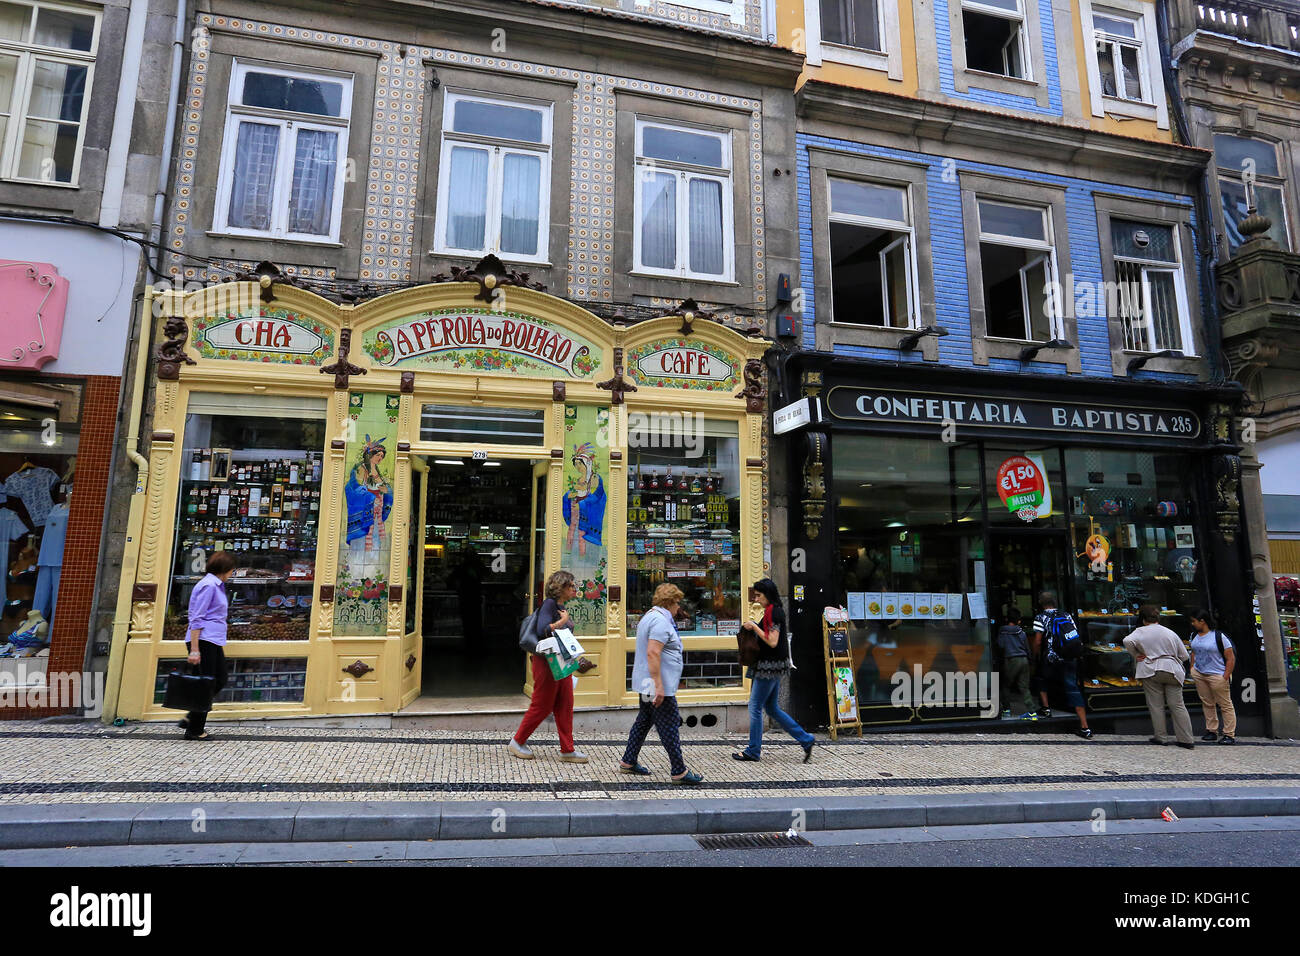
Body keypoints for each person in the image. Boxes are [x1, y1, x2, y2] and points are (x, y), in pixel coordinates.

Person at [619, 583, 703, 784]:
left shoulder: (650, 616)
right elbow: (653, 652)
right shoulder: (660, 622)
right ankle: (679, 771)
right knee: (670, 724)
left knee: (644, 720)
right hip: (656, 685)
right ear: (671, 601)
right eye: (677, 603)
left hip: (647, 682)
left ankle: (628, 761)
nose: (678, 608)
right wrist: (658, 686)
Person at [508, 570, 589, 763]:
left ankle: (567, 750)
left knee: (565, 704)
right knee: (542, 705)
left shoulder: (560, 605)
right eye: (571, 586)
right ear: (561, 588)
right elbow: (542, 630)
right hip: (547, 662)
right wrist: (562, 621)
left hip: (562, 662)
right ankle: (517, 741)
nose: (574, 589)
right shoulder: (549, 605)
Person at [734, 578, 815, 762]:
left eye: (759, 595)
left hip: (769, 667)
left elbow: (772, 640)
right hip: (775, 665)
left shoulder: (773, 612)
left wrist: (753, 625)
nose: (757, 598)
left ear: (768, 594)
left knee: (754, 706)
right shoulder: (773, 611)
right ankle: (806, 739)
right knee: (771, 708)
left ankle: (753, 751)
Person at [180, 551, 236, 740]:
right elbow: (196, 617)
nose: (232, 573)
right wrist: (195, 649)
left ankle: (191, 718)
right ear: (224, 569)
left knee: (218, 679)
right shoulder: (209, 586)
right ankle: (195, 729)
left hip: (213, 639)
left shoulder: (216, 585)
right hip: (204, 640)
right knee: (208, 682)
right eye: (231, 570)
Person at [1123, 604, 1194, 748]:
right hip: (1172, 670)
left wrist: (1137, 654)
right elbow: (1184, 656)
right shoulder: (1170, 632)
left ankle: (1161, 737)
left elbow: (1127, 641)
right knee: (1178, 705)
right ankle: (1186, 739)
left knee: (1156, 705)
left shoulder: (1140, 632)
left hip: (1150, 669)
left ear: (1143, 619)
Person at [1031, 591, 1093, 739]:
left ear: (1041, 604)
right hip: (1069, 655)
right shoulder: (1066, 615)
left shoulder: (1040, 617)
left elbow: (1038, 641)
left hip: (1052, 657)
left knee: (1041, 678)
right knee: (1072, 687)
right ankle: (1085, 726)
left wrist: (1035, 656)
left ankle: (1046, 708)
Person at [1189, 608, 1236, 744]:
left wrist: (1225, 676)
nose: (1192, 624)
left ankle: (1229, 734)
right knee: (1207, 703)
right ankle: (1212, 730)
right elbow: (1194, 652)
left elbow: (1230, 658)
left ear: (1202, 621)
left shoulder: (1219, 636)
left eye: (1194, 621)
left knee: (1225, 704)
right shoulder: (1194, 636)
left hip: (1217, 674)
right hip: (1200, 673)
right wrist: (1193, 669)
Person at [997, 608, 1036, 719]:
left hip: (1011, 660)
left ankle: (1006, 710)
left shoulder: (1002, 631)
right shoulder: (1021, 632)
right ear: (1018, 621)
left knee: (1006, 685)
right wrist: (1030, 659)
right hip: (1023, 659)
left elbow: (1000, 645)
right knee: (1024, 687)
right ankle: (1032, 712)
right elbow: (1027, 647)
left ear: (1006, 619)